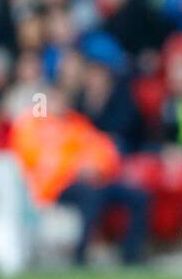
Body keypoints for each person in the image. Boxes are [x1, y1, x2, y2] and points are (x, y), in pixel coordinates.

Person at [9, 89, 149, 265]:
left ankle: (130, 254)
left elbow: (104, 149)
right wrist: (76, 168)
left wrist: (96, 167)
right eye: (56, 99)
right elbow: (38, 160)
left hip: (91, 180)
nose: (60, 104)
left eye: (63, 100)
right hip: (55, 187)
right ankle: (80, 255)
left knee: (138, 196)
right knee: (91, 196)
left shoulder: (76, 123)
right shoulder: (33, 126)